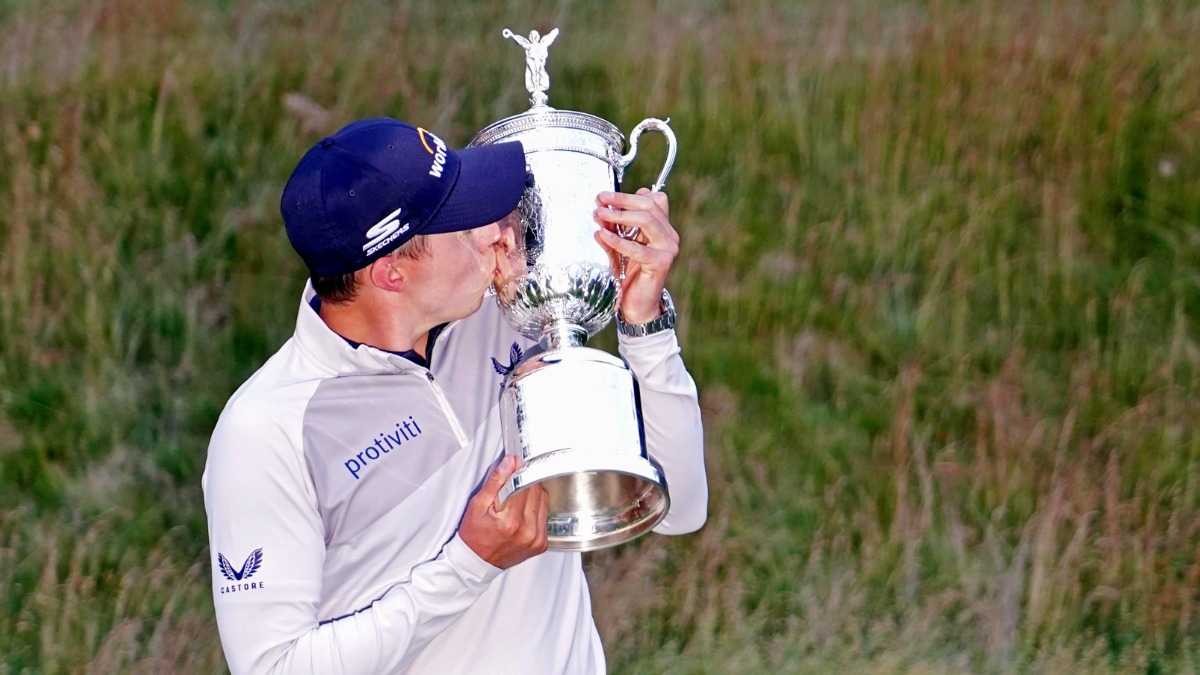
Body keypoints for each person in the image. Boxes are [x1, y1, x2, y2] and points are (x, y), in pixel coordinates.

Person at [202, 117, 707, 674]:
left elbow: (679, 508)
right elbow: (275, 667)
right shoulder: (267, 431)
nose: (498, 234)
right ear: (392, 273)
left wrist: (644, 322)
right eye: (464, 226)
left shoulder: (507, 313)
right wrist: (469, 563)